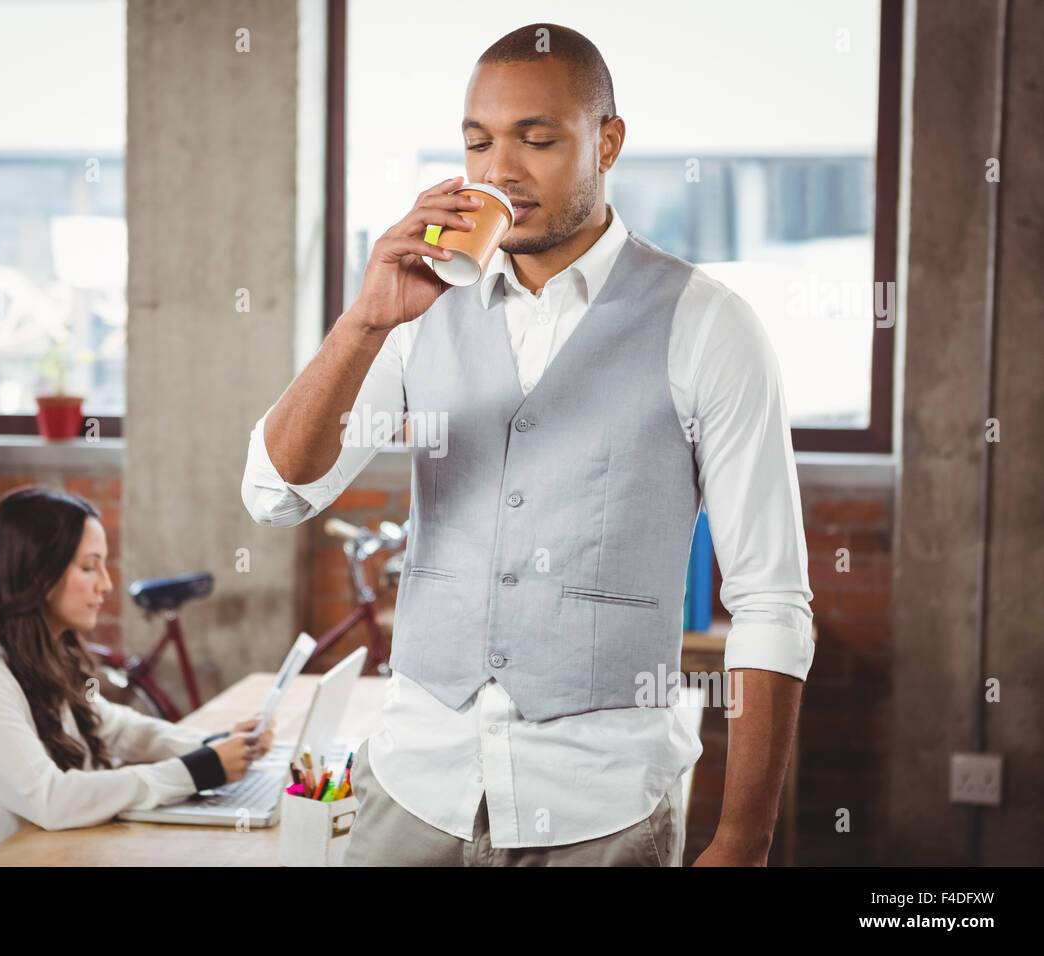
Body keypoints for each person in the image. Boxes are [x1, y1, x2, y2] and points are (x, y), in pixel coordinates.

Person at [242, 23, 813, 866]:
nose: (499, 172)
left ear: (608, 143)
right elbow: (278, 493)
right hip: (411, 794)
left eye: (536, 140)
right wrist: (363, 321)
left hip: (602, 808)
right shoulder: (414, 311)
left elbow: (770, 601)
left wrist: (744, 840)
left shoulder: (708, 325)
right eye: (478, 143)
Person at [0, 486, 272, 866]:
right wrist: (196, 770)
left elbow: (118, 729)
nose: (106, 584)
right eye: (89, 567)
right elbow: (49, 799)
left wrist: (213, 745)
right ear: (38, 575)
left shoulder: (46, 653)